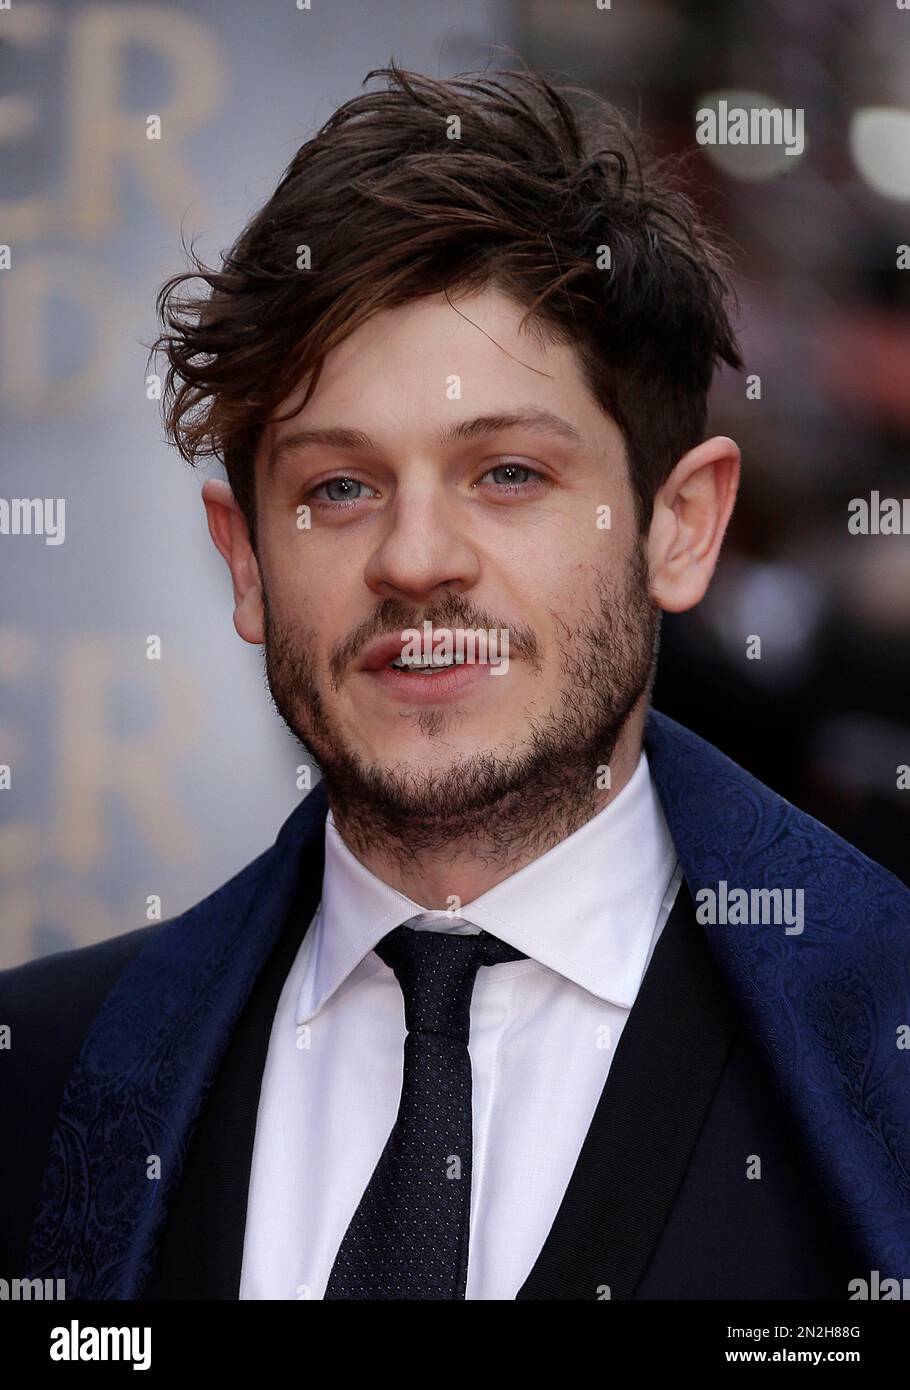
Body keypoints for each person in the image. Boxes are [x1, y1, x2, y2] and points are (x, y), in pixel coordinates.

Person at [2, 62, 908, 1302]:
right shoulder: (39, 1080)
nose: (416, 559)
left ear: (681, 526)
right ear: (246, 559)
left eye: (508, 474)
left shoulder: (882, 1039)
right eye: (338, 487)